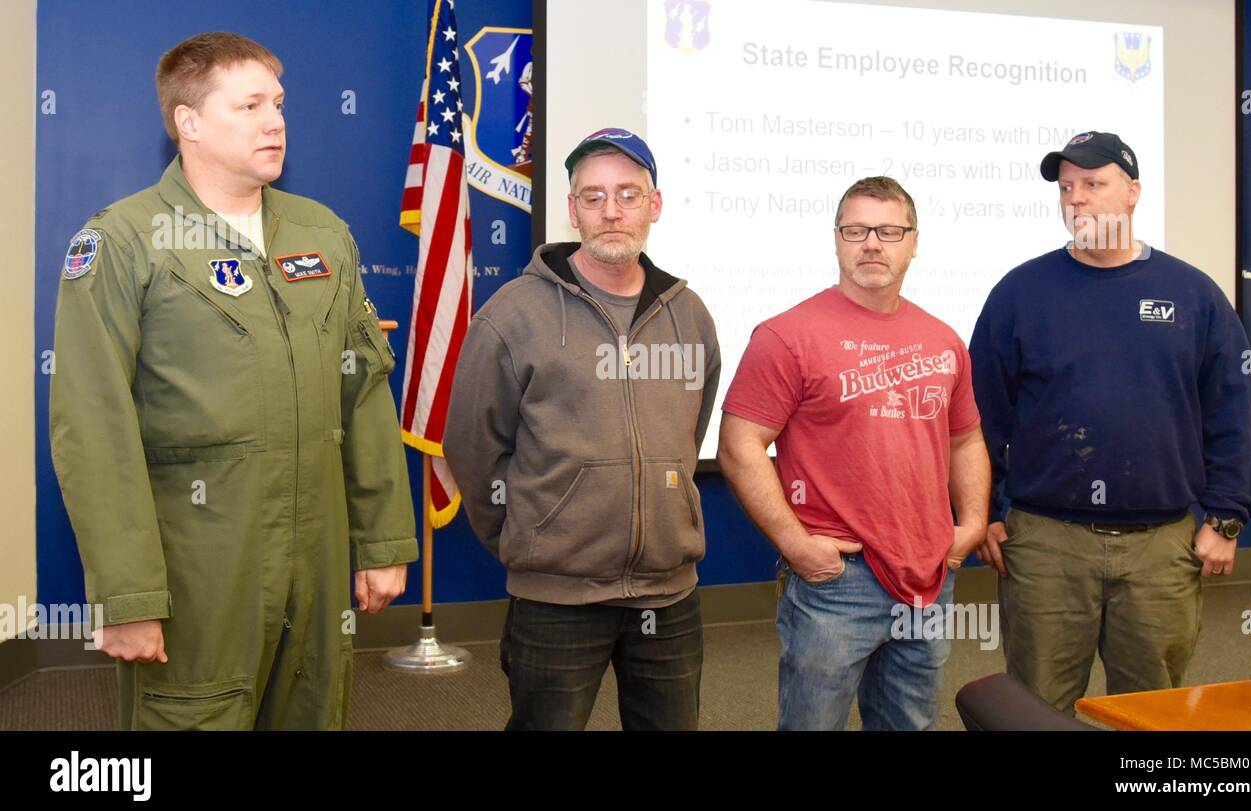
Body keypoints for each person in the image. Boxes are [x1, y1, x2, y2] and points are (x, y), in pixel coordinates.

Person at [49, 32, 416, 730]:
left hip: (316, 560)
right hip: (200, 567)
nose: (275, 121)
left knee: (314, 710)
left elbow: (364, 390)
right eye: (248, 105)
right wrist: (128, 596)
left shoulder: (322, 234)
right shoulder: (124, 242)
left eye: (277, 103)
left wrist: (383, 542)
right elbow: (92, 427)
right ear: (188, 122)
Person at [969, 131, 1251, 713]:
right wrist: (986, 514)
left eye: (1094, 184)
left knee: (1150, 712)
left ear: (1132, 193)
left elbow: (1232, 412)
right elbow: (978, 416)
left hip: (1161, 547)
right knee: (1038, 709)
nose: (1077, 199)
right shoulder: (1020, 293)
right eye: (1066, 187)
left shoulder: (1193, 294)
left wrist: (1226, 518)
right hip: (1046, 543)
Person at [444, 128, 720, 730]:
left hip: (666, 594)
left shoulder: (688, 314)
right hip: (555, 597)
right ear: (572, 210)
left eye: (627, 193)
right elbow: (472, 446)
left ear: (655, 204)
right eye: (593, 197)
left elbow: (688, 431)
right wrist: (532, 535)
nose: (611, 211)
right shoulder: (513, 314)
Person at [718, 176, 990, 731]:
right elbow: (739, 444)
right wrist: (794, 544)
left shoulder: (943, 340)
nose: (872, 243)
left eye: (889, 231)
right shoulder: (786, 336)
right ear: (837, 239)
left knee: (909, 724)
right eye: (857, 229)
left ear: (914, 242)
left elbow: (965, 439)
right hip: (837, 580)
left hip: (930, 578)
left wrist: (975, 522)